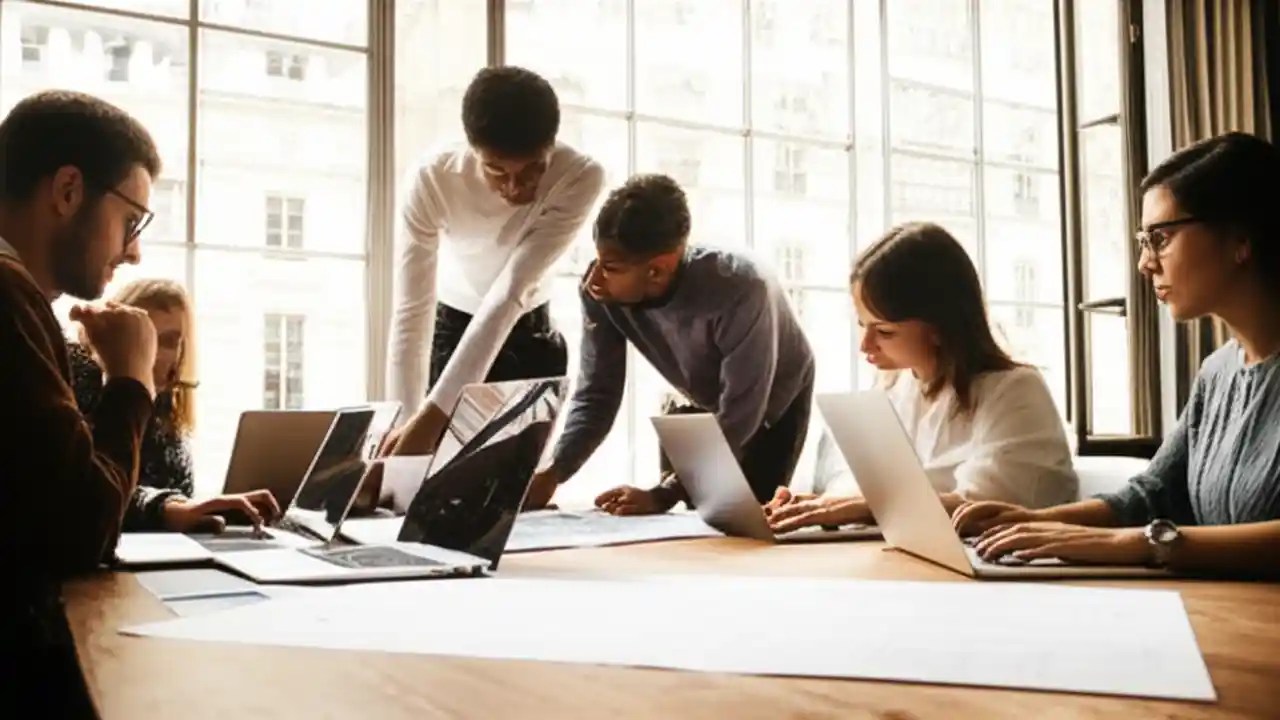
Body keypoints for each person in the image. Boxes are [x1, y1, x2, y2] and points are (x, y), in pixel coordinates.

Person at [953, 132, 1280, 579]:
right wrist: (1033, 521)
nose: (1145, 263)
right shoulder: (1217, 373)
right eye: (1142, 241)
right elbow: (1152, 495)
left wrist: (1134, 543)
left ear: (1241, 238)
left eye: (1160, 238)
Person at [524, 173, 816, 515]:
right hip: (699, 395)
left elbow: (741, 414)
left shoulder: (743, 288)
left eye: (611, 267)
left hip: (770, 402)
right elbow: (598, 394)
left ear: (657, 270)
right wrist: (554, 472)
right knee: (687, 516)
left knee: (743, 521)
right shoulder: (601, 290)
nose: (594, 280)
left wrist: (663, 493)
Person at [0, 90, 159, 715]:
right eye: (132, 220)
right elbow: (78, 527)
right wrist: (131, 379)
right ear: (68, 190)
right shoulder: (6, 297)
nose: (134, 251)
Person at [764, 223, 1078, 534]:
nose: (865, 345)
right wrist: (820, 504)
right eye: (862, 325)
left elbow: (986, 508)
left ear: (940, 327)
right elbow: (872, 485)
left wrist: (860, 507)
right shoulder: (895, 387)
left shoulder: (1014, 391)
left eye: (885, 331)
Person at [382, 65, 605, 459]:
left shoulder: (580, 175)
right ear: (474, 150)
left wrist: (432, 418)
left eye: (533, 170)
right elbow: (411, 312)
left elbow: (510, 292)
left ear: (551, 145)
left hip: (530, 333)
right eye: (497, 171)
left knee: (507, 494)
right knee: (429, 485)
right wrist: (404, 423)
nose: (515, 188)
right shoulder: (432, 178)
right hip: (451, 332)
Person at [68, 278, 279, 533]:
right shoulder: (77, 385)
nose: (152, 352)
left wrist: (214, 510)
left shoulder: (166, 412)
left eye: (169, 341)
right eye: (145, 339)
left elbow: (175, 499)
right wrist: (167, 509)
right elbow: (82, 490)